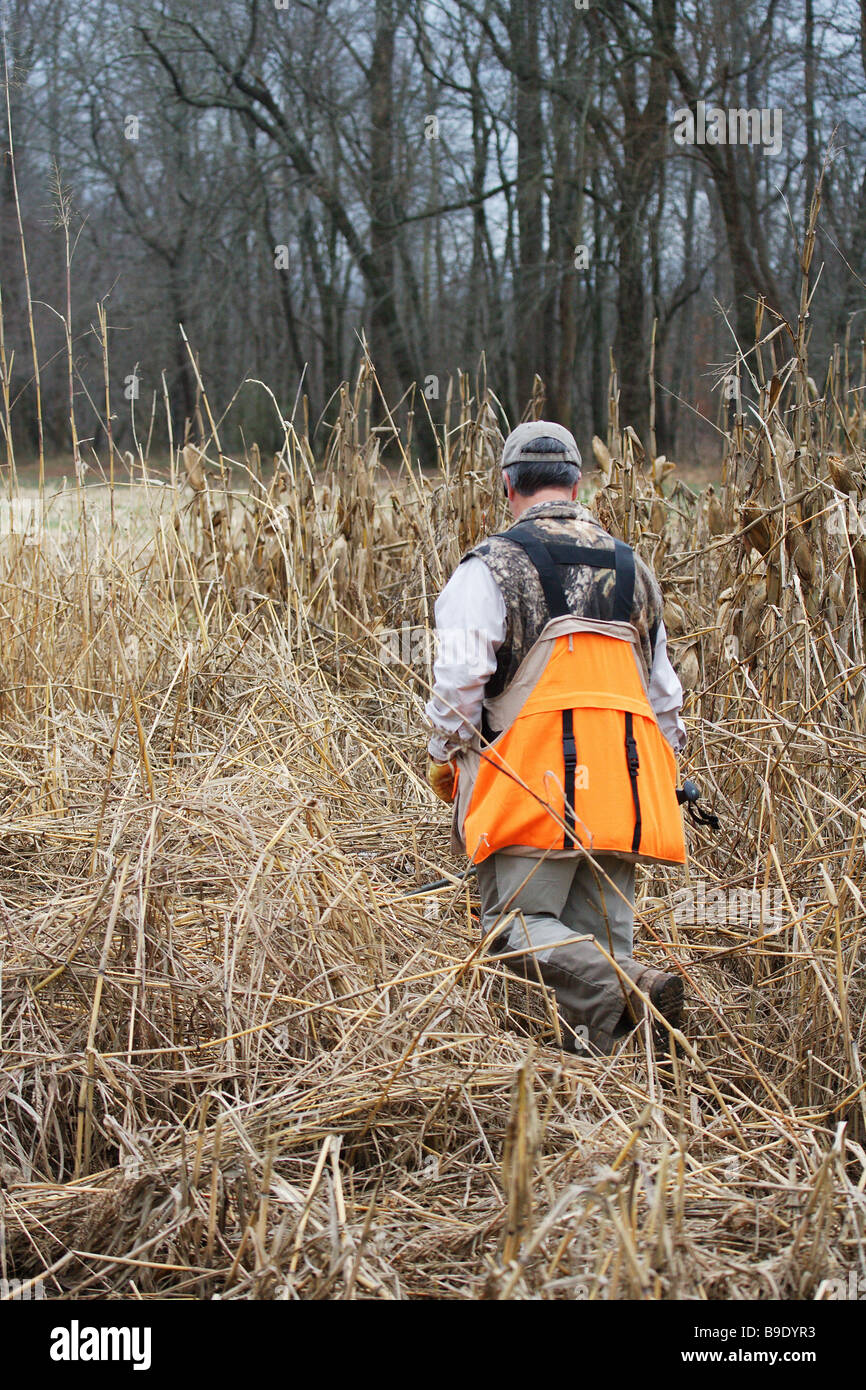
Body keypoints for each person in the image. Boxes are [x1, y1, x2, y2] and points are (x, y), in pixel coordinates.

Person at [425, 421, 688, 1055]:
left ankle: (634, 990)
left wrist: (444, 757)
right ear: (576, 482)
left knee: (511, 930)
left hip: (530, 791)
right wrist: (660, 775)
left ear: (507, 484)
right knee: (595, 957)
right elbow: (665, 700)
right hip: (622, 795)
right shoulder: (635, 571)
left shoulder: (489, 568)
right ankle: (612, 1114)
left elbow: (459, 686)